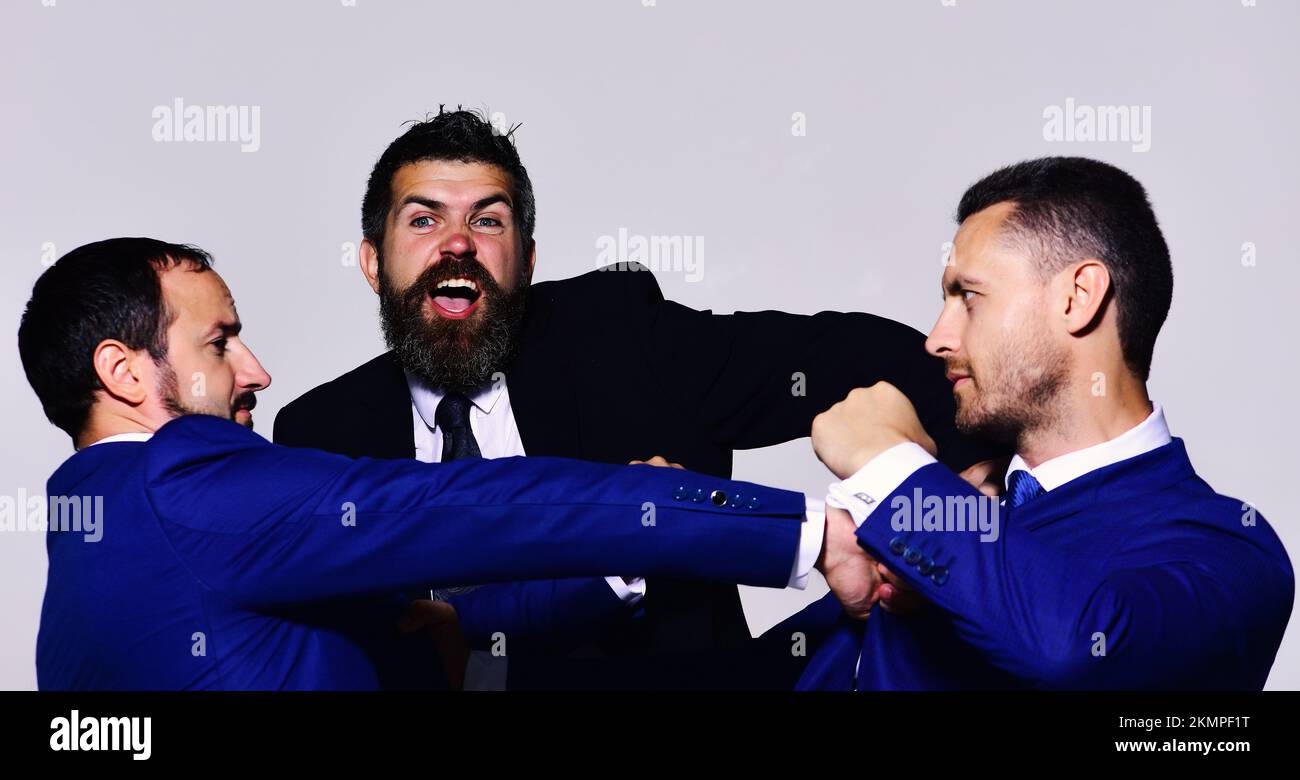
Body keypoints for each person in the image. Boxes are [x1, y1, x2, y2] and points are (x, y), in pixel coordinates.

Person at [274, 107, 1002, 688]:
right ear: (373, 261)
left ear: (527, 261)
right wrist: (618, 550)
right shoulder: (320, 431)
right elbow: (372, 640)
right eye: (424, 219)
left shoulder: (621, 339)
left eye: (487, 220)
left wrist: (974, 473)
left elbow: (851, 355)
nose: (457, 243)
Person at [19, 238, 872, 690]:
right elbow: (476, 507)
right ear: (123, 371)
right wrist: (803, 531)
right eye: (220, 341)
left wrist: (625, 563)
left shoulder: (87, 558)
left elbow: (430, 617)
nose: (257, 372)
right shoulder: (186, 485)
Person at [799, 157, 1294, 689]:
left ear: (1078, 298)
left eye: (968, 297)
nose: (937, 339)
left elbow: (1078, 650)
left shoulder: (1232, 553)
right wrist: (816, 543)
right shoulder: (948, 522)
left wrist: (891, 467)